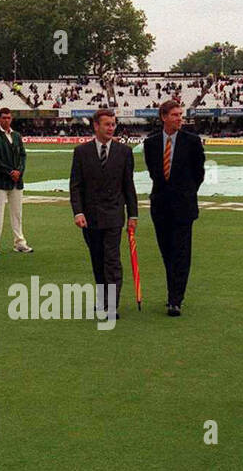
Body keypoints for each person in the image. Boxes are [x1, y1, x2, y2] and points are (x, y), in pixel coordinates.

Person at [69, 109, 136, 319]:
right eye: (107, 124)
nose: (111, 128)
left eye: (113, 124)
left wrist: (133, 215)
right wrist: (78, 212)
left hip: (114, 215)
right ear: (96, 126)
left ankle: (113, 305)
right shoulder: (81, 152)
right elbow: (76, 186)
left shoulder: (124, 152)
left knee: (112, 260)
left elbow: (128, 186)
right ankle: (102, 301)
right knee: (97, 260)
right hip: (90, 217)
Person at [143, 101, 205, 317]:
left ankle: (175, 298)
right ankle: (173, 290)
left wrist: (185, 193)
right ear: (163, 117)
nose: (180, 118)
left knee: (181, 253)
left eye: (181, 114)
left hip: (184, 206)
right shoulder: (150, 143)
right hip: (160, 206)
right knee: (166, 252)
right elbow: (153, 172)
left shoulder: (193, 141)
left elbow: (199, 174)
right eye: (175, 115)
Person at [0, 107, 30, 253]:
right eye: (4, 118)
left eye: (9, 118)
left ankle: (20, 242)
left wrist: (19, 170)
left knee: (17, 213)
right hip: (0, 181)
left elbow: (23, 156)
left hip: (16, 181)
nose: (6, 120)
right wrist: (10, 172)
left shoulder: (17, 135)